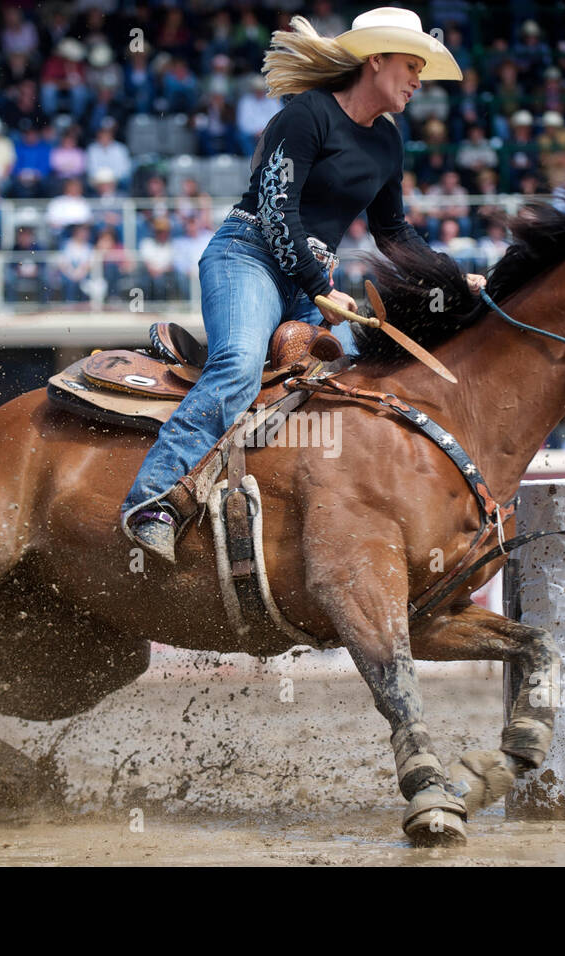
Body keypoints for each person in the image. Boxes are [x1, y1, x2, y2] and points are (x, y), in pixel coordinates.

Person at [120, 7, 485, 562]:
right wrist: (320, 285)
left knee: (367, 380)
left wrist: (453, 280)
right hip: (247, 257)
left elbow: (392, 232)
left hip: (309, 283)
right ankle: (151, 500)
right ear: (376, 59)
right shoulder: (307, 115)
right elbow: (274, 211)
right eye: (411, 65)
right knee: (240, 365)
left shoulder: (388, 141)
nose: (418, 80)